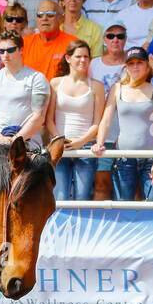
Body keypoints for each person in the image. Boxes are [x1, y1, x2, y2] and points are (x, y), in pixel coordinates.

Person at [94, 44, 153, 201]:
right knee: (123, 207)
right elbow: (106, 119)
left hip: (152, 158)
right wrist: (99, 142)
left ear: (147, 65)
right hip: (124, 158)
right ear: (126, 67)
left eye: (139, 62)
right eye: (131, 63)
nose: (135, 67)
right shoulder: (117, 89)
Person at [46, 40, 103, 200]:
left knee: (82, 197)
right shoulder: (56, 83)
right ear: (68, 58)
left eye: (86, 57)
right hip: (59, 149)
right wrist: (59, 140)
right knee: (60, 197)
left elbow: (97, 122)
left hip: (86, 148)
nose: (83, 60)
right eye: (78, 56)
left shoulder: (97, 86)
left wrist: (80, 142)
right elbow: (49, 119)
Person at [0, 29, 48, 149]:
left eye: (10, 50)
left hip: (28, 146)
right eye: (2, 51)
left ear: (21, 50)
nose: (5, 55)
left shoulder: (37, 78)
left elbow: (39, 116)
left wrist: (16, 140)